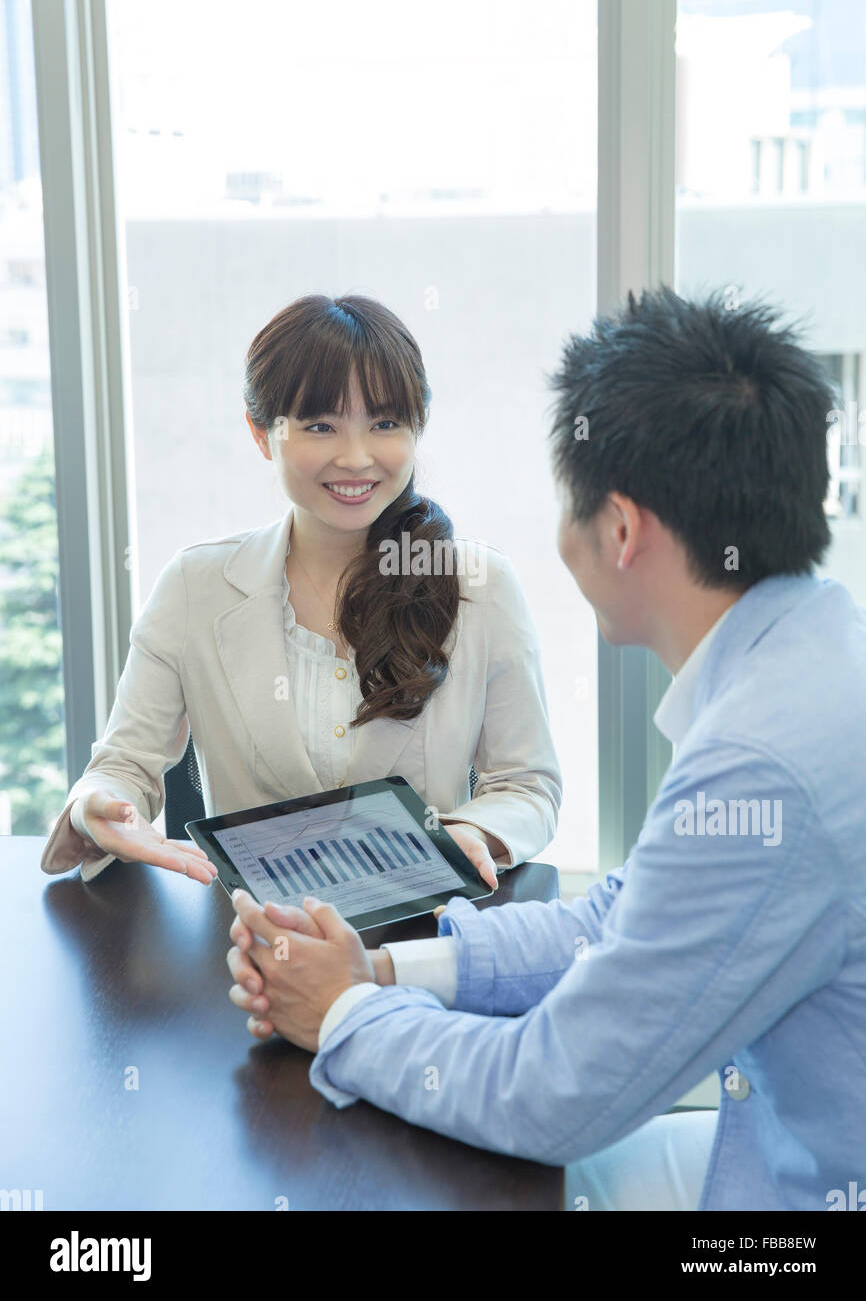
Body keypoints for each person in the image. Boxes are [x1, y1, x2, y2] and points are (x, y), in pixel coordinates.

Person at [226, 286, 866, 1212]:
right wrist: (387, 969)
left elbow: (552, 1093)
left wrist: (344, 1014)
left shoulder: (762, 761)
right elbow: (623, 916)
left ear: (620, 529)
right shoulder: (815, 651)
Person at [41, 294, 561, 902]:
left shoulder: (479, 585)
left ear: (417, 429)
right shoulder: (195, 587)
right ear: (261, 433)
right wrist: (99, 806)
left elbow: (527, 786)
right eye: (321, 426)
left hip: (417, 944)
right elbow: (122, 768)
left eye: (386, 424)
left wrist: (471, 832)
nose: (357, 457)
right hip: (251, 947)